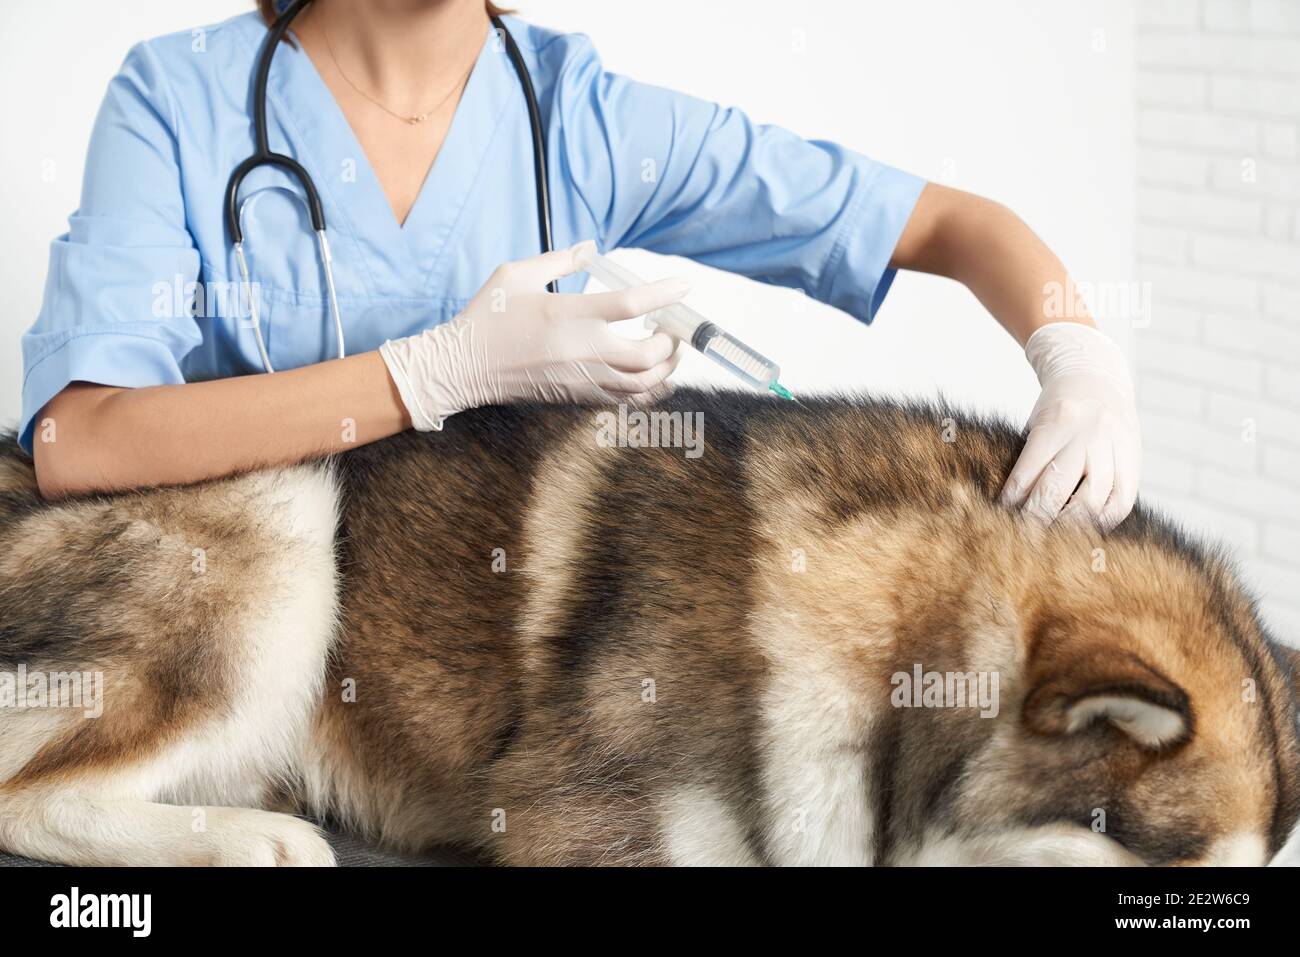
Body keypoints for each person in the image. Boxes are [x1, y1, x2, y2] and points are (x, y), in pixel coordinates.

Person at [21, 0, 1140, 528]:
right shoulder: (178, 100)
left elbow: (952, 224)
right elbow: (80, 442)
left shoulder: (582, 118)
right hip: (220, 619)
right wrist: (432, 374)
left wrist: (1076, 356)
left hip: (460, 677)